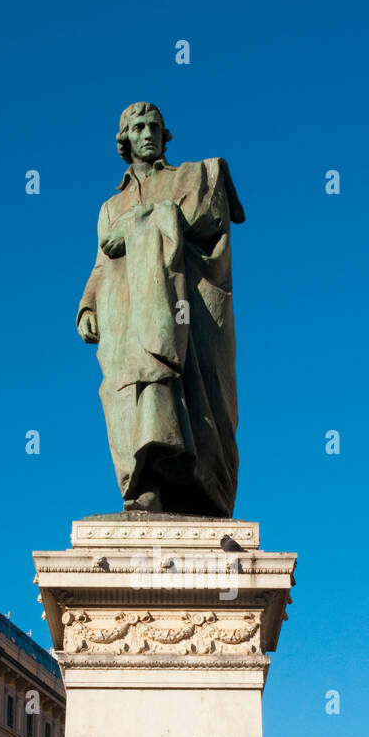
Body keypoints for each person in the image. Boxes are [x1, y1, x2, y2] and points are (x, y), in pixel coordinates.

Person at [78, 102, 245, 516]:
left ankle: (188, 487)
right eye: (138, 127)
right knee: (130, 390)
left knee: (181, 384)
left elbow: (207, 221)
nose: (148, 132)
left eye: (155, 126)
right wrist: (87, 305)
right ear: (125, 140)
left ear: (165, 134)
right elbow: (102, 264)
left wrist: (141, 225)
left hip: (183, 305)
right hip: (124, 308)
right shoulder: (109, 208)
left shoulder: (187, 179)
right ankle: (144, 482)